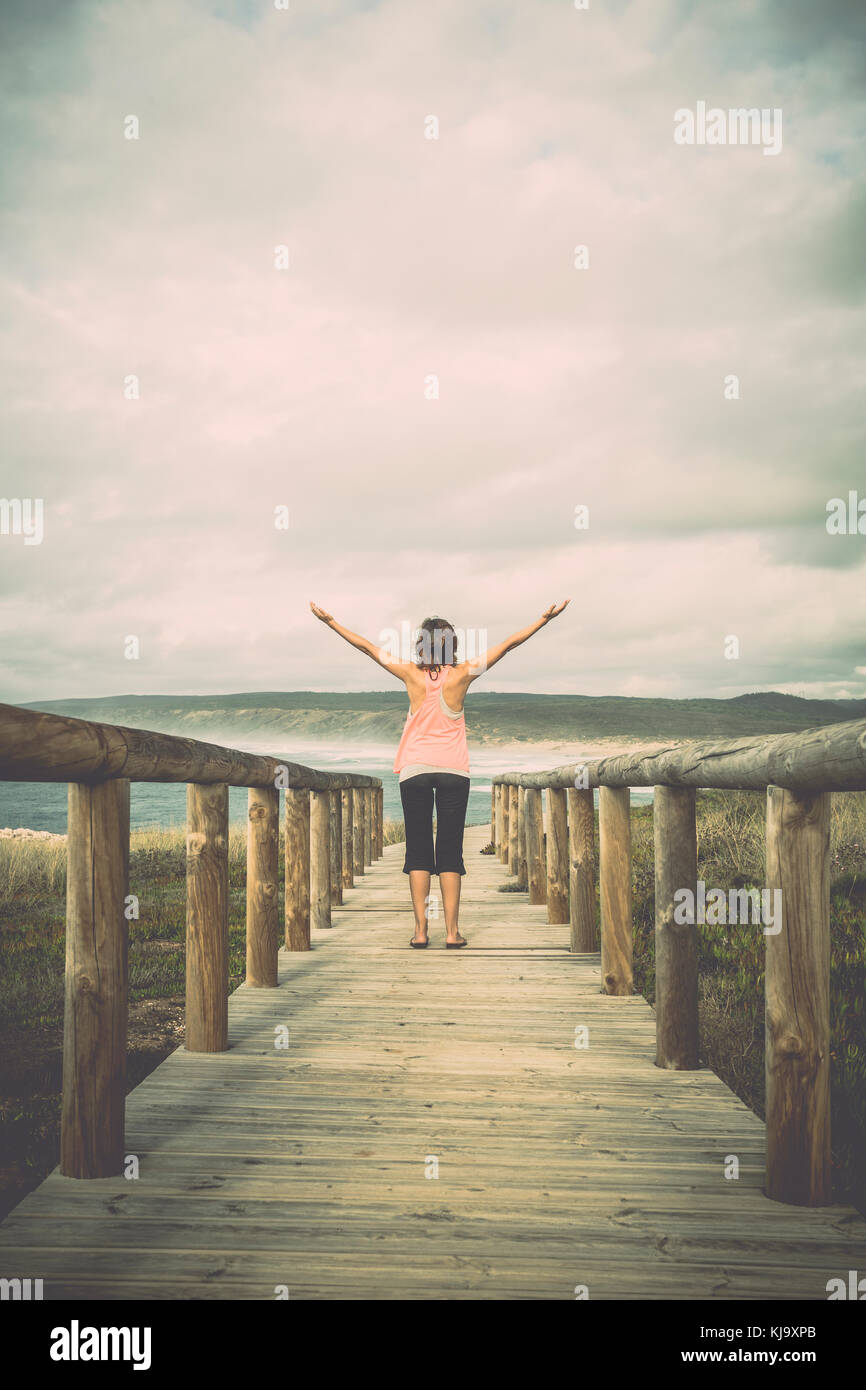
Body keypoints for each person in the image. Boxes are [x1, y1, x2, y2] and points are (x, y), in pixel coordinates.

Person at [310, 601, 569, 948]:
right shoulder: (462, 674)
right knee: (449, 851)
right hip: (453, 771)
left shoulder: (410, 674)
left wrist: (331, 623)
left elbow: (368, 648)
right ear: (452, 645)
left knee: (417, 850)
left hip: (415, 770)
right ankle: (451, 932)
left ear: (422, 645)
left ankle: (420, 932)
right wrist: (543, 619)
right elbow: (508, 645)